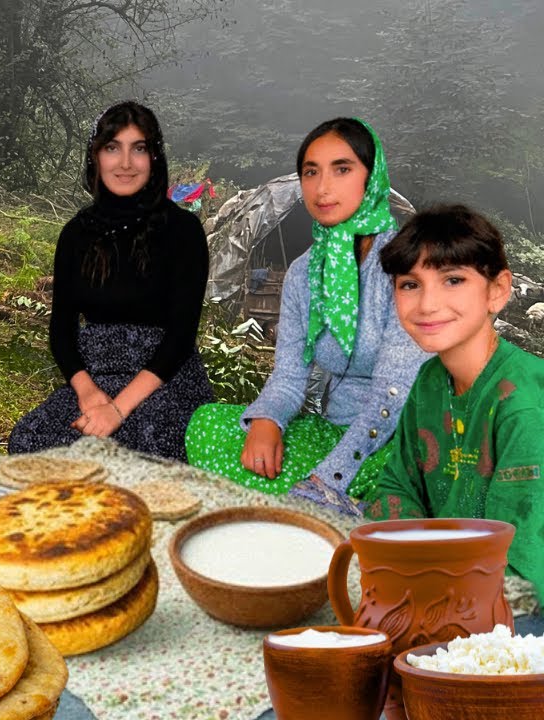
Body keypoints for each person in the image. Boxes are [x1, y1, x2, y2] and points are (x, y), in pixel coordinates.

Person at [185, 118, 428, 514]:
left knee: (360, 493)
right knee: (207, 425)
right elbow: (288, 378)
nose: (322, 187)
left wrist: (326, 479)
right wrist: (267, 421)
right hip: (333, 430)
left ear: (373, 176)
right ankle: (320, 505)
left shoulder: (408, 265)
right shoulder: (303, 273)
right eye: (310, 172)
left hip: (398, 439)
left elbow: (394, 396)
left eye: (342, 169)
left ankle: (341, 504)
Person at [7, 101, 214, 459]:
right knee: (32, 441)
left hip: (163, 382)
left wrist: (118, 409)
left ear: (154, 158)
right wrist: (89, 395)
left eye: (139, 148)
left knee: (135, 449)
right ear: (96, 157)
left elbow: (180, 339)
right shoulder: (76, 234)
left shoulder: (182, 230)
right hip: (94, 377)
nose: (125, 163)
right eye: (112, 148)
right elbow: (62, 333)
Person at [366, 204, 543, 596]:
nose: (427, 304)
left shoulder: (523, 404)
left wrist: (426, 595)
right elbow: (398, 486)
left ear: (497, 291)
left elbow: (524, 569)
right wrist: (401, 567)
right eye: (410, 284)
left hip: (516, 609)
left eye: (453, 280)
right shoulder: (431, 380)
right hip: (442, 581)